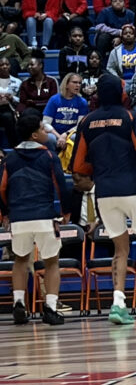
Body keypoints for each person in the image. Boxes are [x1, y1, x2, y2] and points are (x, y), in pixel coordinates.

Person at [71, 73, 136, 326]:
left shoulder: (87, 121)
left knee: (120, 248)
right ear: (121, 92)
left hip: (104, 193)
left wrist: (102, 168)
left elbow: (78, 165)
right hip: (134, 187)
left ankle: (118, 304)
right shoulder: (130, 116)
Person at [0, 108, 69, 326]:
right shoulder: (48, 155)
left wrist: (5, 213)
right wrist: (66, 211)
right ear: (34, 136)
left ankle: (19, 304)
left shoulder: (10, 159)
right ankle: (49, 307)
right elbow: (61, 184)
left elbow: (1, 189)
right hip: (44, 216)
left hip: (19, 217)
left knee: (20, 260)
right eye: (42, 128)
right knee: (51, 262)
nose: (45, 131)